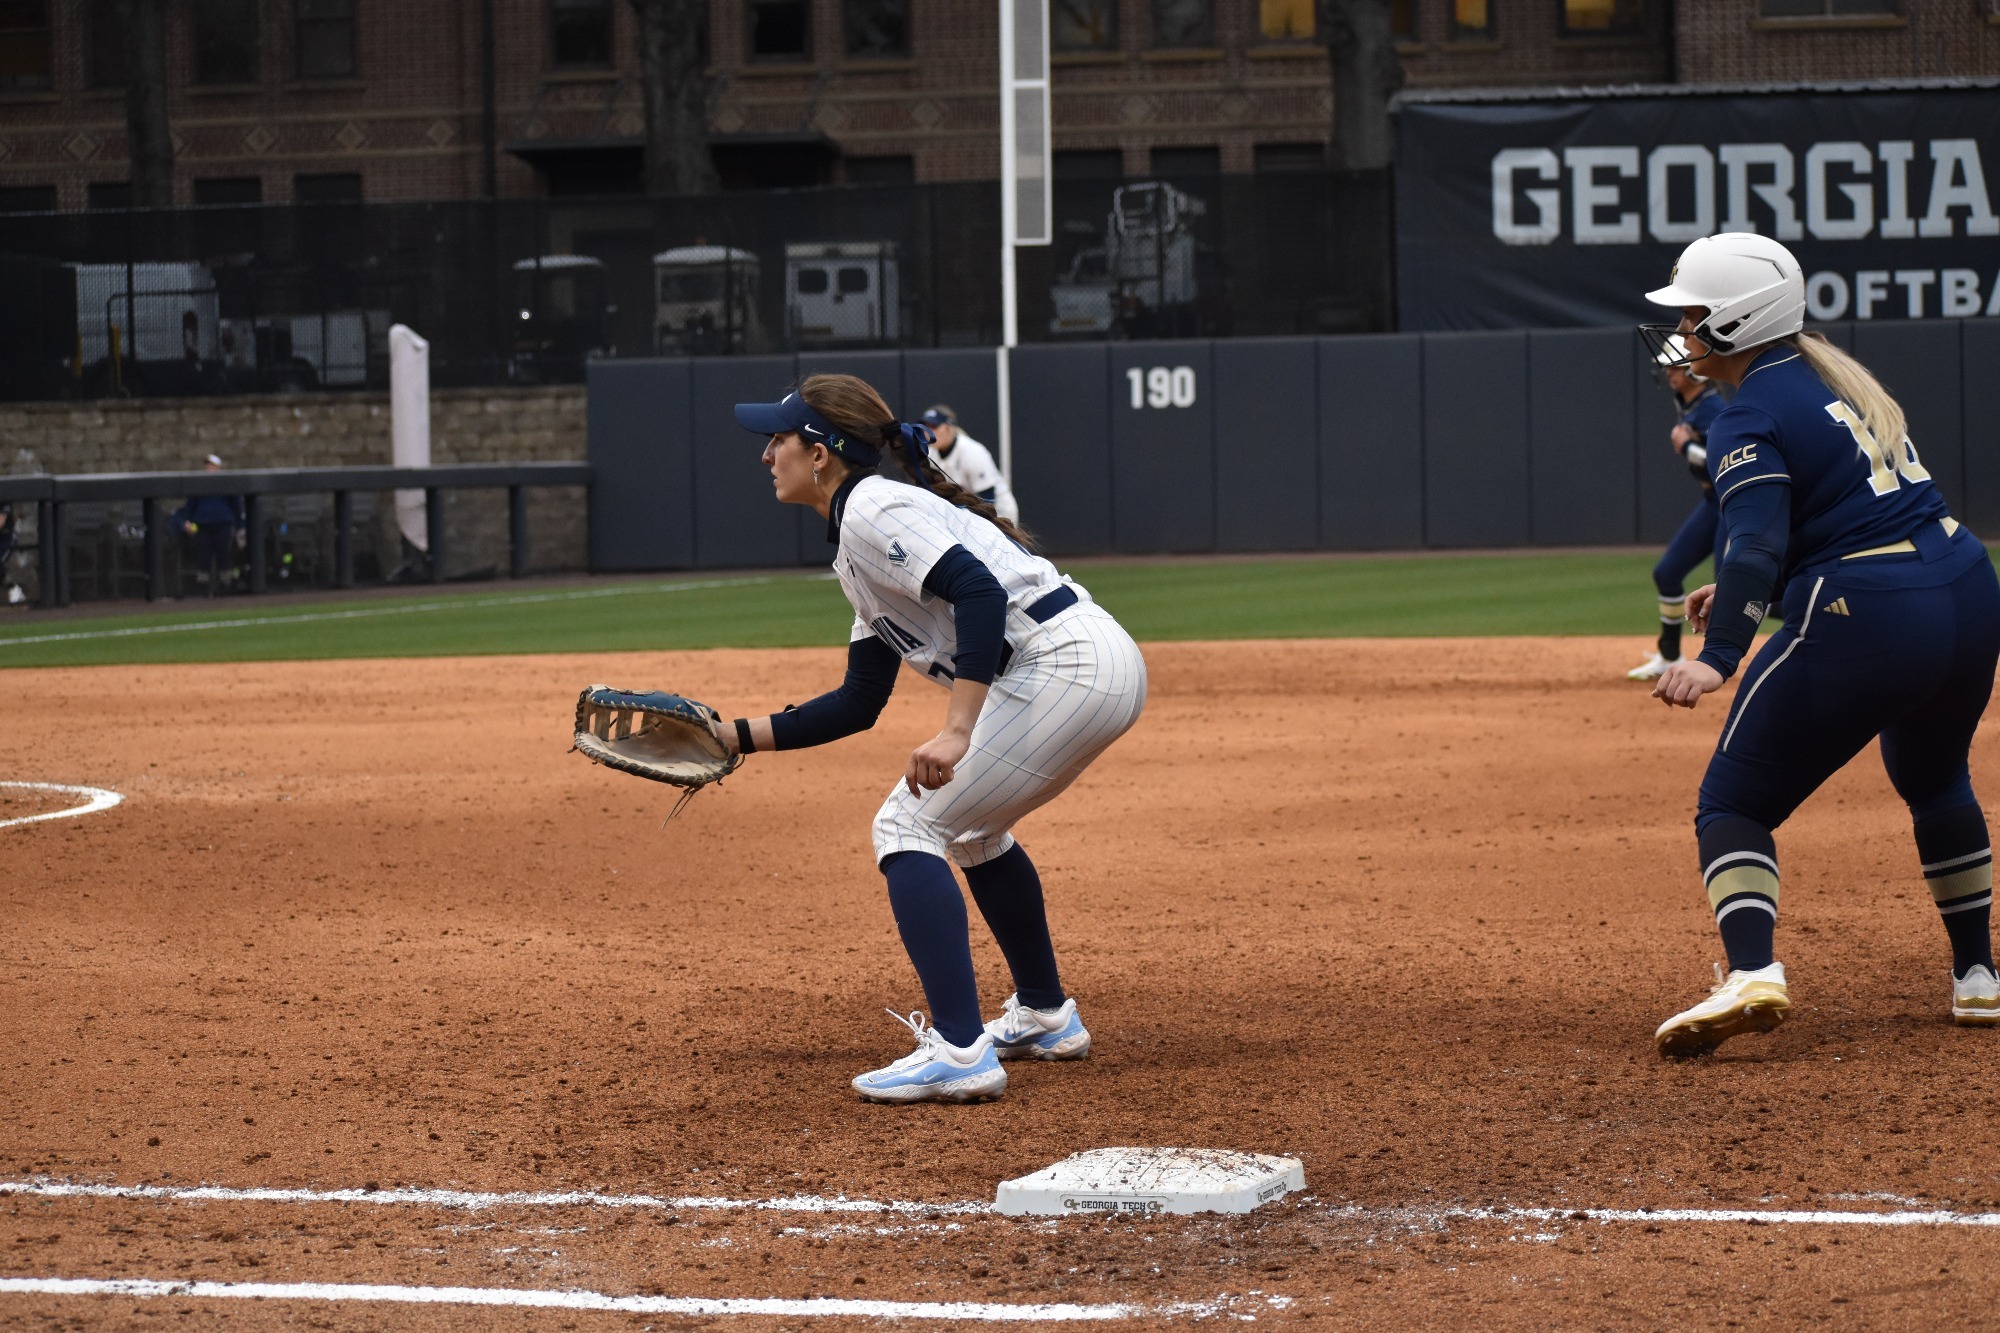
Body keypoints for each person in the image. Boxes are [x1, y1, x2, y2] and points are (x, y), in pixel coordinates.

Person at [720, 373, 1146, 1103]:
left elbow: (977, 591)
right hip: (1080, 659)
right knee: (973, 829)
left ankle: (958, 1049)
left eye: (778, 438)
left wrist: (957, 728)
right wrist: (731, 736)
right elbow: (859, 701)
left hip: (1062, 663)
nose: (766, 454)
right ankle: (1044, 1012)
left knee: (906, 823)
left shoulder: (872, 508)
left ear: (820, 452)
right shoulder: (861, 546)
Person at [1642, 232, 2000, 1056]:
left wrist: (1715, 656)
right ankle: (1977, 977)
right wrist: (1738, 593)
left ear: (1734, 323)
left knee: (1733, 803)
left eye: (1693, 315)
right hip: (1966, 585)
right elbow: (1847, 519)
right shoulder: (1833, 379)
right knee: (1939, 778)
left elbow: (1756, 547)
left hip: (1874, 609)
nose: (1682, 332)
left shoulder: (1745, 414)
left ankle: (1753, 971)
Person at [1626, 338, 1727, 681]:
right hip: (1712, 504)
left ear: (1694, 372)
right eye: (1668, 366)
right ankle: (1669, 655)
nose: (1669, 372)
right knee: (1667, 572)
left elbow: (1720, 463)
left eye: (1676, 366)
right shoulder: (1690, 403)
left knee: (1730, 585)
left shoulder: (1712, 408)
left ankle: (1718, 659)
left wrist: (1687, 447)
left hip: (1729, 506)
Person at [918, 405, 1019, 524]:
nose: (928, 432)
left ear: (949, 428)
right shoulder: (931, 454)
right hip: (968, 512)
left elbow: (988, 498)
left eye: (934, 426)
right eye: (926, 427)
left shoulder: (972, 452)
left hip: (999, 512)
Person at [171, 453, 244, 597]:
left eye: (212, 465)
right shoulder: (199, 484)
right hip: (203, 526)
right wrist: (187, 522)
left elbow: (236, 506)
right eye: (208, 465)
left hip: (223, 524)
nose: (209, 468)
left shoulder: (227, 484)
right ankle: (203, 587)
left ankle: (226, 585)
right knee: (204, 556)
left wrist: (240, 526)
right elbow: (190, 506)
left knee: (224, 555)